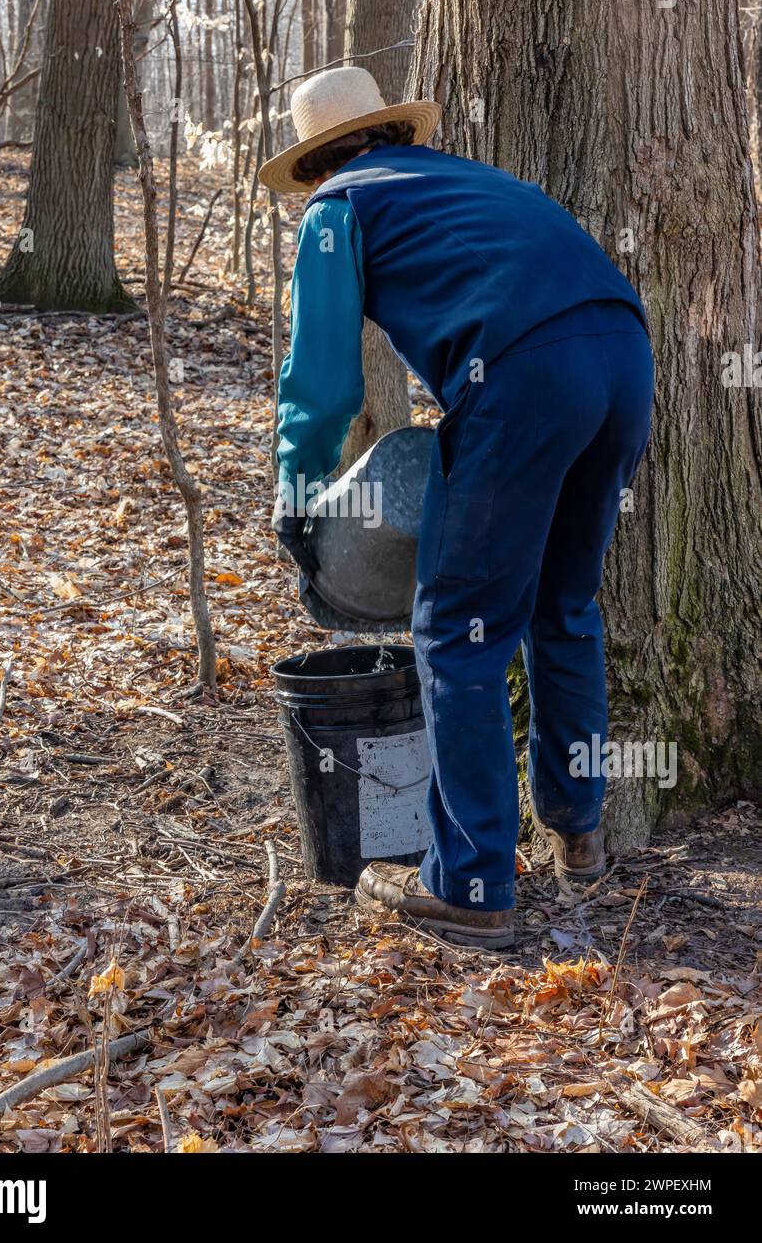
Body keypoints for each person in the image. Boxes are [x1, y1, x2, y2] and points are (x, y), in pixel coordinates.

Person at [260, 66, 654, 948]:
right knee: (563, 604)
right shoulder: (473, 179)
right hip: (623, 358)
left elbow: (319, 386)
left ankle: (471, 886)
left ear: (316, 164)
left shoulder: (337, 210)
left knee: (456, 628)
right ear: (394, 135)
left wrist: (296, 488)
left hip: (526, 379)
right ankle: (578, 835)